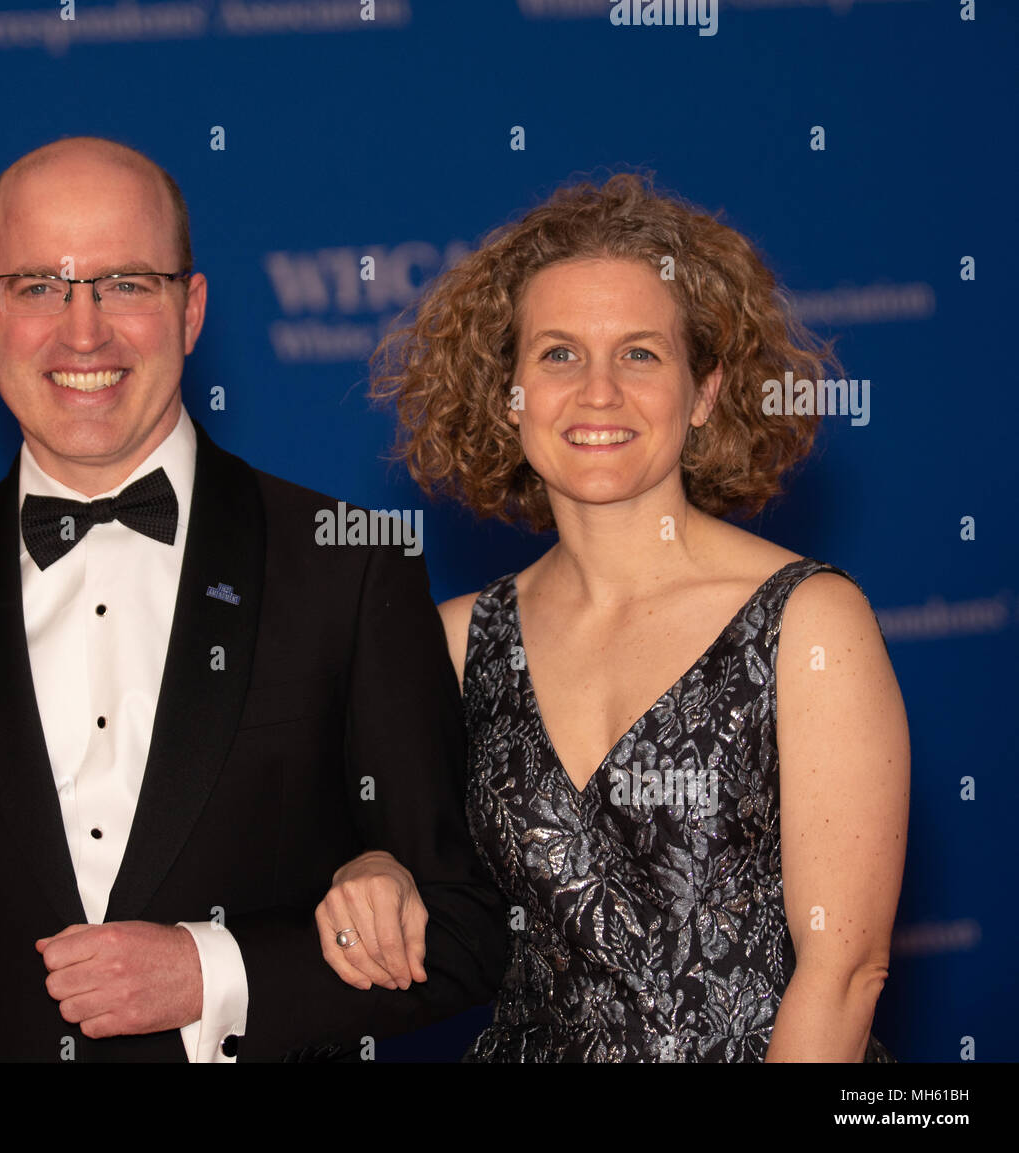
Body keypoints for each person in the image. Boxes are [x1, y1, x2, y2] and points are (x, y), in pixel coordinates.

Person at [0, 136, 505, 1062]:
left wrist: (210, 971)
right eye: (39, 288)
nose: (84, 332)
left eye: (127, 283)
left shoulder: (349, 563)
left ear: (192, 309)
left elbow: (461, 931)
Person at [316, 173, 910, 1062]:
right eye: (558, 354)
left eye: (640, 353)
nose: (598, 392)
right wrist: (369, 868)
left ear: (705, 391)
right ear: (508, 393)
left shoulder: (808, 625)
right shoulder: (453, 644)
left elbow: (846, 969)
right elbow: (382, 856)